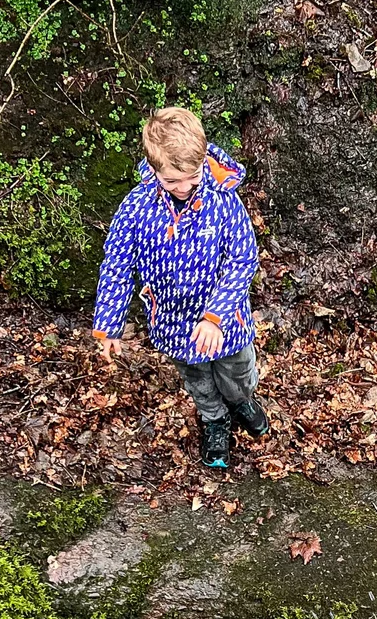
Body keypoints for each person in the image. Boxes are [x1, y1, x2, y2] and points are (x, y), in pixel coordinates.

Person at [92, 106, 269, 472]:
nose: (184, 188)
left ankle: (241, 402)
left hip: (227, 321)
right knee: (199, 380)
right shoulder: (136, 208)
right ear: (153, 168)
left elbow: (243, 259)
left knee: (237, 374)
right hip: (174, 323)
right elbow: (118, 264)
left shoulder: (223, 201)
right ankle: (215, 420)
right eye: (173, 181)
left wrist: (215, 316)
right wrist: (108, 324)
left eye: (191, 176)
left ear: (203, 160)